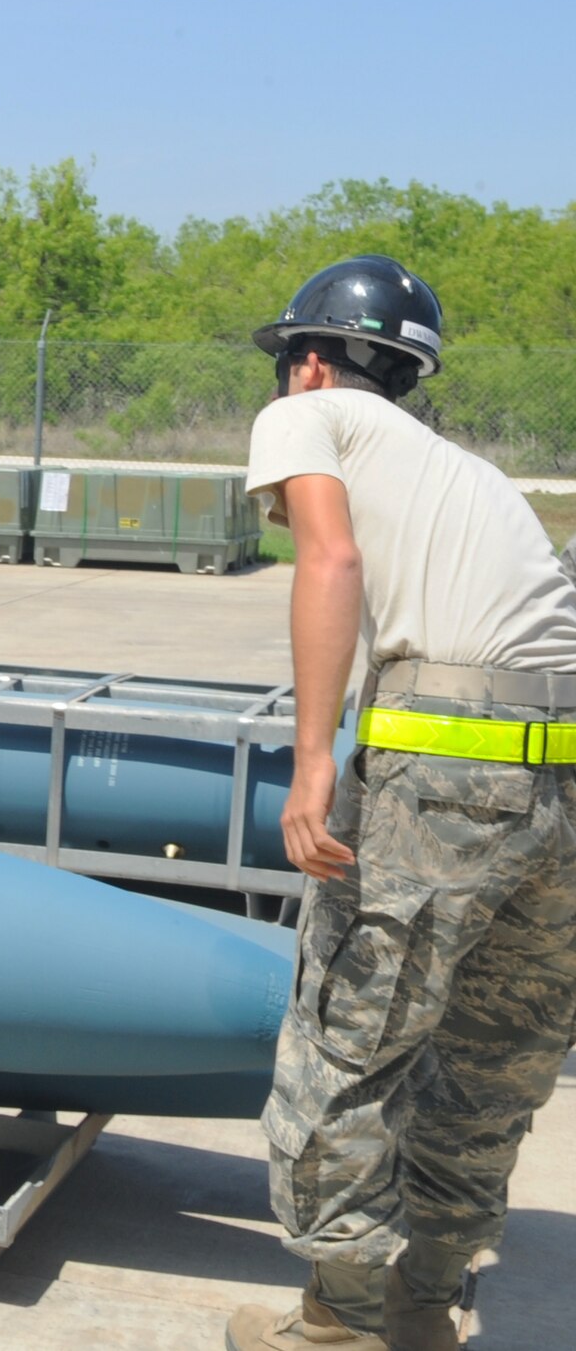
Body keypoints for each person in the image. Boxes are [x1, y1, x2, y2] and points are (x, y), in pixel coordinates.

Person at [225, 255, 576, 1351]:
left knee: (343, 1053)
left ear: (312, 360)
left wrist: (314, 760)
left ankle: (337, 1324)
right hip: (558, 788)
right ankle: (425, 1310)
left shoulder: (304, 415)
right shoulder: (464, 473)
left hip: (444, 785)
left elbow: (324, 561)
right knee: (488, 1065)